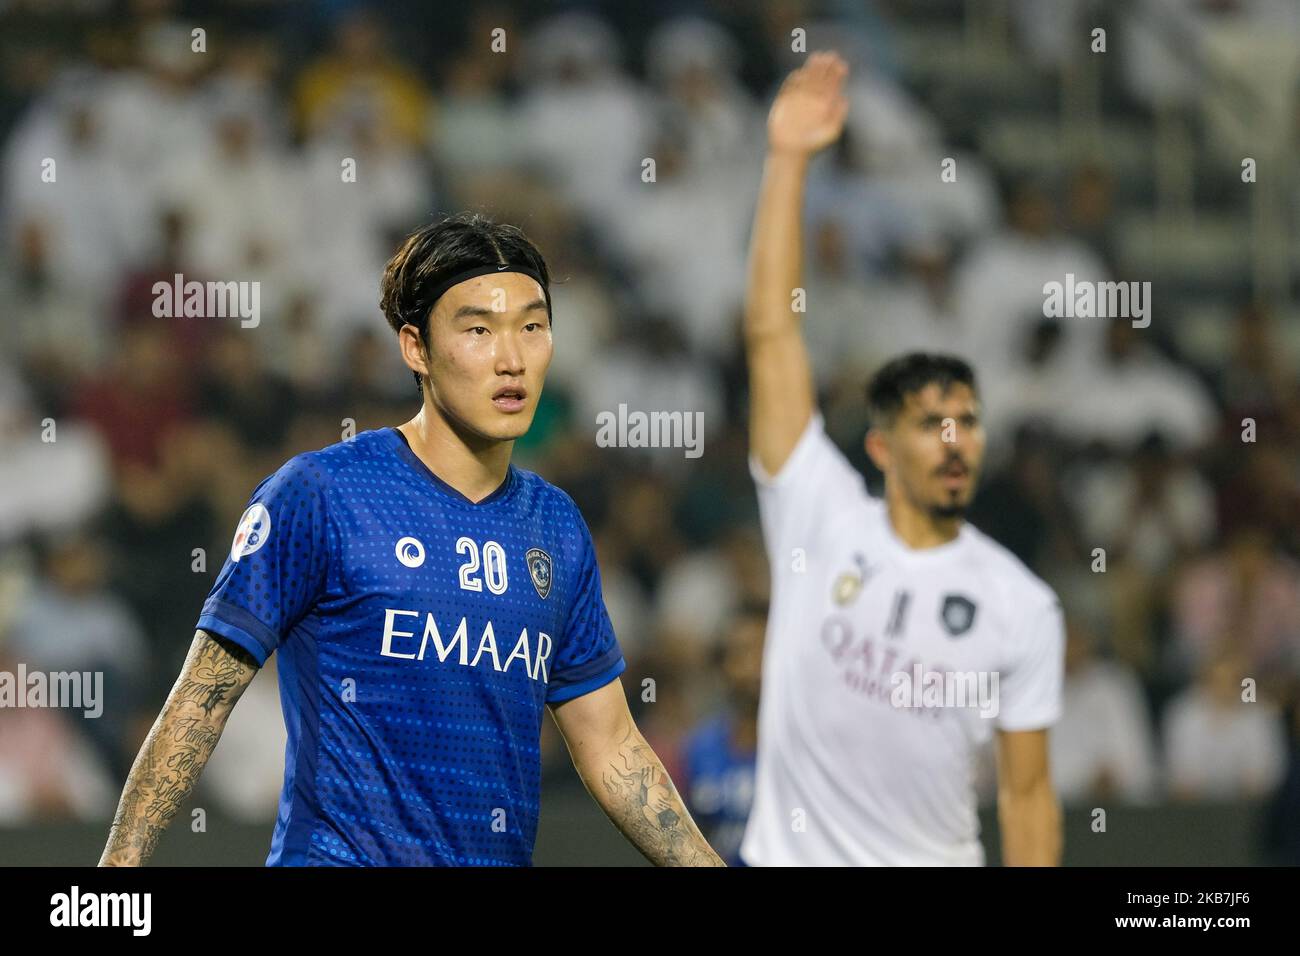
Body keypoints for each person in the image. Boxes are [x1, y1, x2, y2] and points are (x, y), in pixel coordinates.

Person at [99, 213, 723, 867]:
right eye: (478, 329)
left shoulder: (556, 527)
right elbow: (200, 701)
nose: (511, 358)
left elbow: (612, 746)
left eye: (532, 327)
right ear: (415, 348)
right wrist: (116, 874)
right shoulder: (321, 494)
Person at [738, 52, 1064, 866]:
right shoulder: (817, 508)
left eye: (969, 423)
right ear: (881, 446)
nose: (957, 443)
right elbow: (772, 335)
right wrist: (786, 161)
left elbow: (1026, 796)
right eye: (931, 425)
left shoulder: (1022, 605)